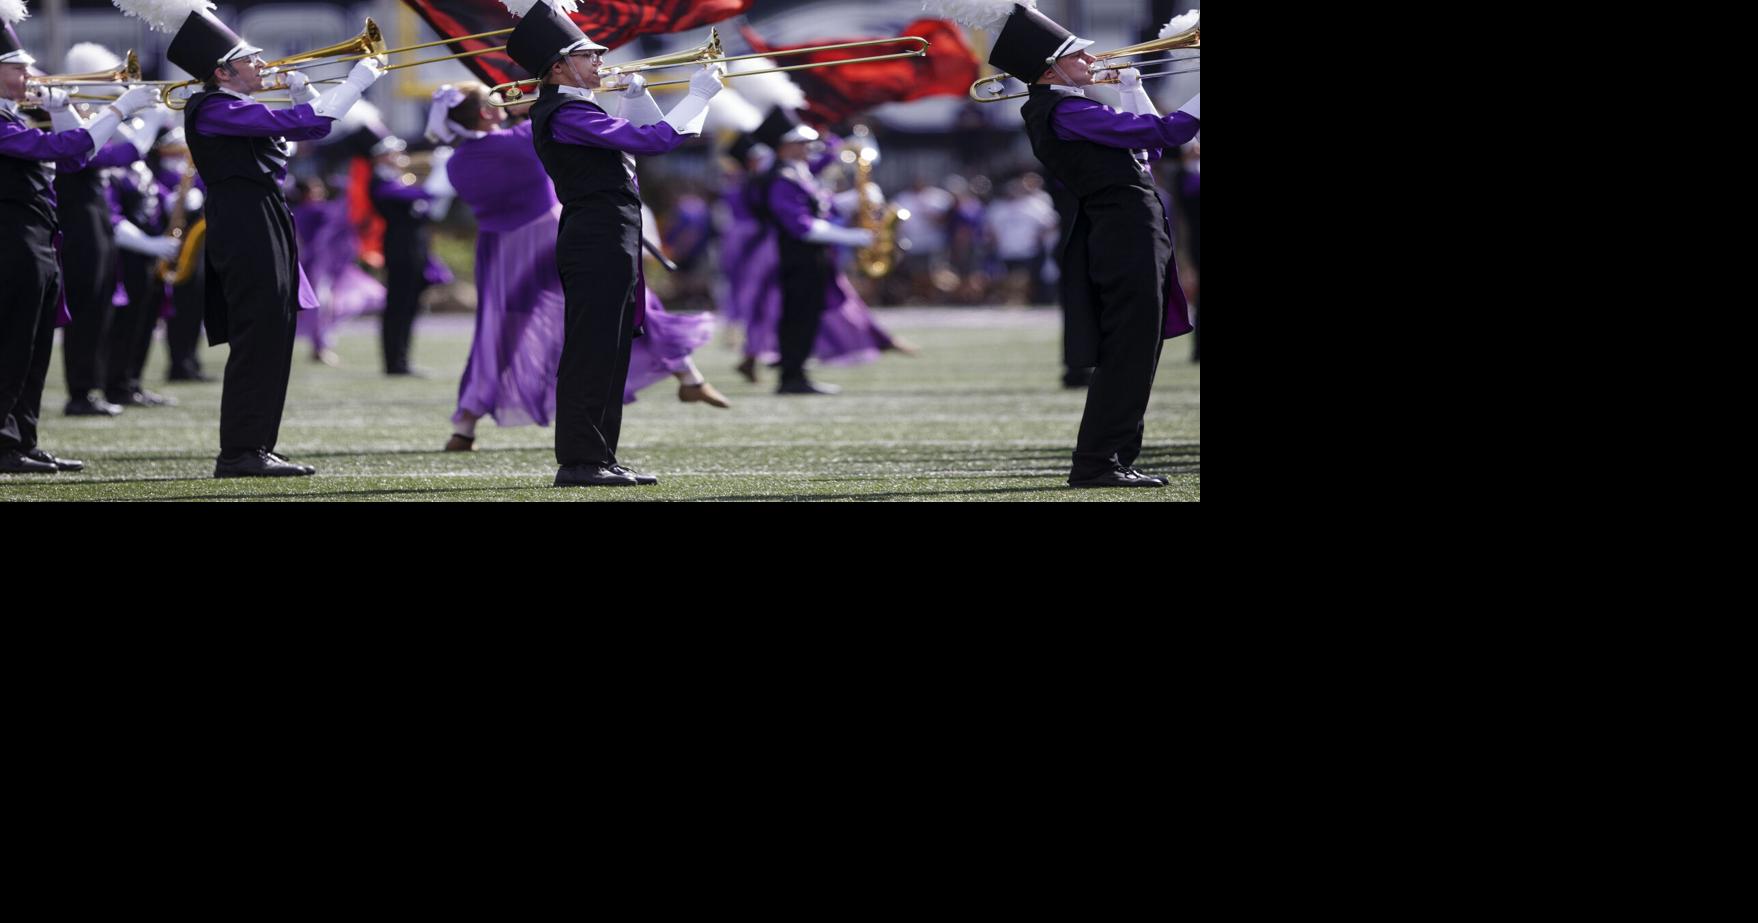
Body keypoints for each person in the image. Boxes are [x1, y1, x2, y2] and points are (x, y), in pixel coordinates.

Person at [936, 1, 1200, 488]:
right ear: (1051, 67)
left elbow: (1153, 148)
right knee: (1129, 347)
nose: (1092, 62)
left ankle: (1117, 456)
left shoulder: (1077, 106)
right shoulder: (1065, 109)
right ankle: (1097, 462)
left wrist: (1133, 91)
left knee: (1140, 347)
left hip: (1136, 224)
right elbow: (1168, 132)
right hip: (1122, 228)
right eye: (1078, 57)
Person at [117, 0, 385, 477]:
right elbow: (311, 124)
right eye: (251, 58)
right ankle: (240, 452)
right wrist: (357, 80)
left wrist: (303, 96)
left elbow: (295, 135)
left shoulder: (234, 105)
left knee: (275, 332)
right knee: (257, 334)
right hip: (244, 222)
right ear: (223, 72)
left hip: (264, 217)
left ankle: (258, 446)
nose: (263, 64)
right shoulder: (213, 108)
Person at [428, 80, 727, 454]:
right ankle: (688, 375)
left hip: (501, 254)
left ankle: (465, 425)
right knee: (632, 303)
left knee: (497, 334)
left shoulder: (457, 162)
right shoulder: (521, 138)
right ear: (487, 112)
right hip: (551, 236)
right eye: (494, 102)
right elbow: (592, 134)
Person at [502, 0, 722, 487]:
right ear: (560, 66)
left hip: (612, 233)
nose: (601, 62)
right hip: (596, 235)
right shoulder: (563, 112)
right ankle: (580, 461)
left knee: (612, 350)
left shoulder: (581, 107)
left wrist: (639, 95)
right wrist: (700, 94)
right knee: (592, 350)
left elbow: (646, 136)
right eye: (590, 56)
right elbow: (656, 142)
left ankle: (600, 456)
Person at [1, 0, 156, 473]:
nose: (33, 75)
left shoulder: (15, 115)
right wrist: (120, 108)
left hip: (37, 241)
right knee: (10, 347)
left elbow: (74, 160)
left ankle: (20, 441)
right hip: (10, 242)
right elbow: (67, 147)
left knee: (33, 349)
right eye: (20, 68)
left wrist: (67, 109)